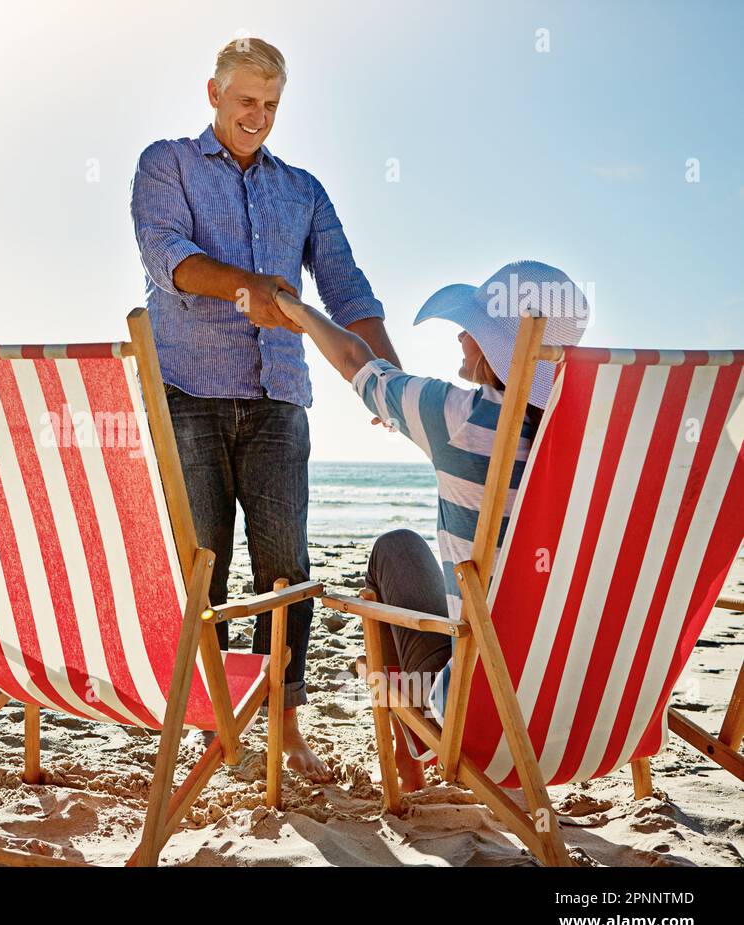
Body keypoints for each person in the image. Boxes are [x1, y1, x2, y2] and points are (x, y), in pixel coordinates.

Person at [131, 36, 400, 781]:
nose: (258, 116)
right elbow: (168, 258)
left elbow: (345, 286)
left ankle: (283, 727)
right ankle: (211, 723)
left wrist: (389, 376)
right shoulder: (168, 163)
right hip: (187, 392)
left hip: (280, 400)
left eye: (271, 105)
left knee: (285, 571)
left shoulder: (302, 189)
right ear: (213, 92)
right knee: (203, 571)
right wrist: (247, 285)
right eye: (246, 100)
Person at [274, 260, 588, 790]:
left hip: (485, 704)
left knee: (395, 549)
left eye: (477, 329)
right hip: (581, 700)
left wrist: (298, 310)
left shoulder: (459, 416)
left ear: (497, 349)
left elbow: (355, 358)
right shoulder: (598, 437)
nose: (463, 335)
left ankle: (410, 752)